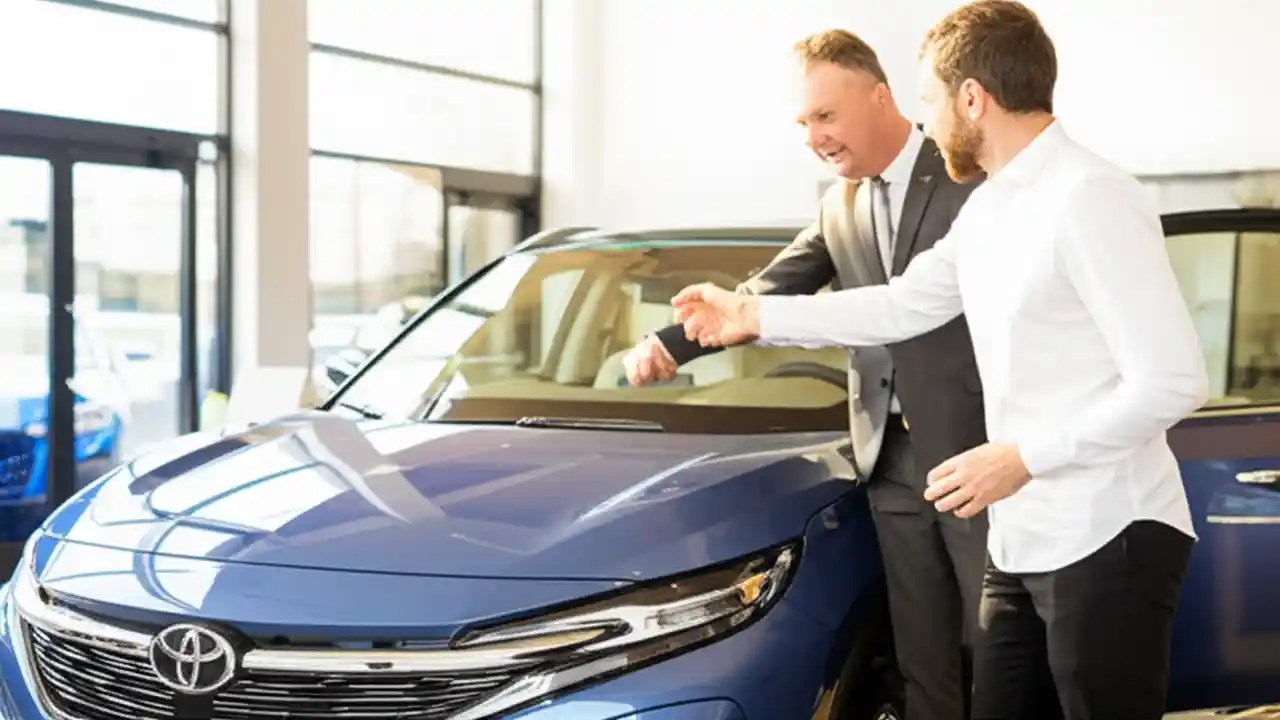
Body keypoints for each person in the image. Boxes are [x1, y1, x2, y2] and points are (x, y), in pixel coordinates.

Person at [670, 2, 1209, 719]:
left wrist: (1020, 457)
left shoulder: (1091, 196)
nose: (926, 119)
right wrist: (752, 313)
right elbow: (899, 306)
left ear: (972, 99)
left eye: (928, 98)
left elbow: (1174, 380)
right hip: (1023, 536)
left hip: (1108, 533)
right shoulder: (991, 210)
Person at [624, 29, 987, 720]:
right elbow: (770, 290)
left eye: (825, 115)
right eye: (803, 123)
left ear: (879, 95)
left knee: (1001, 648)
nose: (814, 137)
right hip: (890, 460)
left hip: (982, 449)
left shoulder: (970, 173)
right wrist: (673, 341)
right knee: (923, 655)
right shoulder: (838, 204)